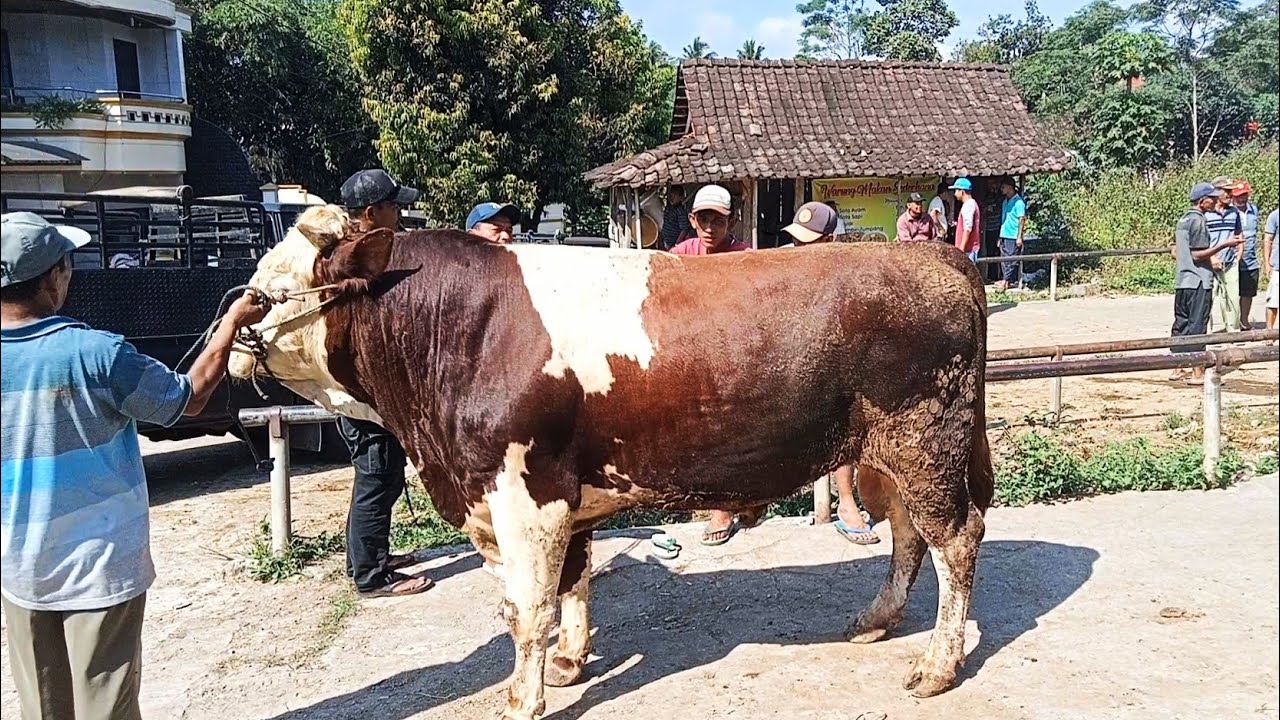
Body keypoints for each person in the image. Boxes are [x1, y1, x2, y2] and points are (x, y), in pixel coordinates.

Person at [1, 212, 266, 719]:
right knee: (105, 707)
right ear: (54, 275)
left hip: (19, 568)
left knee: (41, 706)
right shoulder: (98, 353)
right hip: (99, 568)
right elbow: (185, 399)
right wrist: (230, 322)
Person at [336, 169, 433, 598]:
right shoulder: (353, 260)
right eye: (395, 206)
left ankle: (368, 556)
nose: (401, 212)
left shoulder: (352, 252)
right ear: (373, 212)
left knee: (381, 475)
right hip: (361, 393)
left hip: (368, 391)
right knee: (377, 476)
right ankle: (371, 577)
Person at [771, 202, 880, 544]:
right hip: (788, 364)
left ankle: (847, 503)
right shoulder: (783, 264)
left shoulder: (850, 273)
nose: (801, 248)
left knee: (842, 427)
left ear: (831, 240)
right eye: (798, 240)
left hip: (834, 365)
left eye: (810, 242)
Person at [1170, 182, 1243, 384]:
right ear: (1203, 202)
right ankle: (1197, 371)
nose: (1215, 200)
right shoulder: (1199, 221)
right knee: (1197, 325)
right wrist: (1224, 245)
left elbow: (1180, 250)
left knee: (1181, 324)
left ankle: (1177, 366)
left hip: (1183, 280)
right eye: (1212, 198)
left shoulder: (1183, 219)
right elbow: (1197, 254)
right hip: (1199, 280)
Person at [1205, 175, 1243, 333]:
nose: (1229, 194)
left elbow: (1239, 232)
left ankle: (1233, 331)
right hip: (1209, 263)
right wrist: (1212, 257)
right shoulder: (1206, 214)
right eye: (1226, 191)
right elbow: (1201, 239)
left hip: (1229, 262)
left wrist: (1239, 253)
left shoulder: (1234, 212)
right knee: (1209, 298)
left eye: (1231, 191)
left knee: (1233, 298)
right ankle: (1205, 332)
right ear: (1216, 192)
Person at [670, 185, 751, 256]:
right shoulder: (682, 253)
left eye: (718, 221)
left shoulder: (745, 257)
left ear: (731, 223)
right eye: (703, 220)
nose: (709, 229)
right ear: (693, 221)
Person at [1230, 181, 1261, 330]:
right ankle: (1232, 323)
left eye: (1244, 195)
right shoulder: (1229, 211)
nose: (1242, 199)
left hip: (1250, 259)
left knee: (1248, 293)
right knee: (1231, 294)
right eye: (1238, 196)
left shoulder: (1254, 209)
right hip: (1232, 258)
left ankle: (1244, 321)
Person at [996, 177, 1027, 291]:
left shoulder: (1019, 202)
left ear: (1010, 187)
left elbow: (1021, 219)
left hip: (1013, 235)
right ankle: (1006, 280)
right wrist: (1000, 236)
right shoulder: (1005, 201)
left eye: (1003, 187)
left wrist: (1019, 236)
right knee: (1003, 259)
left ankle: (1005, 281)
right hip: (1004, 233)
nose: (1001, 189)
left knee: (1011, 259)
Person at [950, 178, 981, 262]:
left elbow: (967, 229)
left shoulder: (968, 205)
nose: (955, 194)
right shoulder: (971, 204)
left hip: (968, 250)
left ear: (962, 191)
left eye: (956, 191)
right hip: (968, 250)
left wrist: (961, 249)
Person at [1265, 206, 1279, 337]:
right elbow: (1268, 240)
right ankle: (1269, 333)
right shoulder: (1275, 215)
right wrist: (1267, 263)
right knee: (1273, 301)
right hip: (1277, 265)